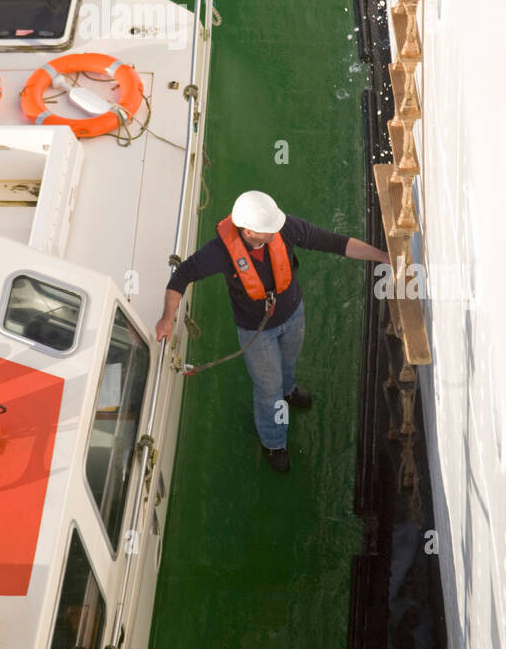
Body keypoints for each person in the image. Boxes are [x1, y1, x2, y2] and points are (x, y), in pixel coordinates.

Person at [155, 190, 390, 474]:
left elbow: (333, 242)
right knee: (268, 389)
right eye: (270, 230)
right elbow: (182, 276)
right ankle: (274, 442)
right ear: (251, 232)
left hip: (293, 315)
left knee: (289, 363)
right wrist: (167, 318)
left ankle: (289, 391)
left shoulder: (285, 227)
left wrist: (381, 256)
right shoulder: (219, 252)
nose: (278, 230)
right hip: (258, 332)